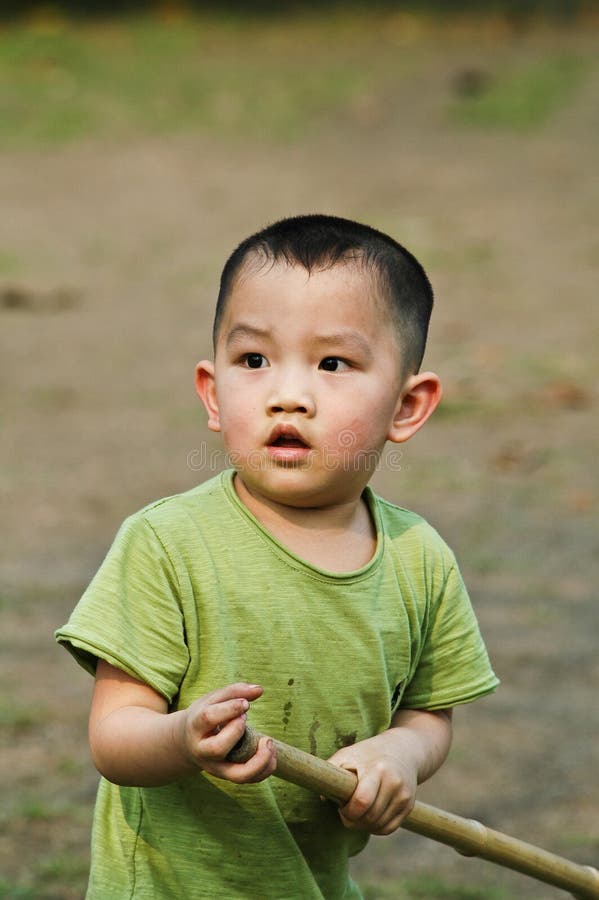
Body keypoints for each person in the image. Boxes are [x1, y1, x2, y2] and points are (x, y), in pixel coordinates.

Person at [56, 214, 499, 899]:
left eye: (332, 364)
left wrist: (397, 753)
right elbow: (114, 738)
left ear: (407, 406)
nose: (287, 394)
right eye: (254, 360)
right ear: (212, 391)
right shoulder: (168, 543)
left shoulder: (419, 560)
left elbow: (428, 714)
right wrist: (182, 738)